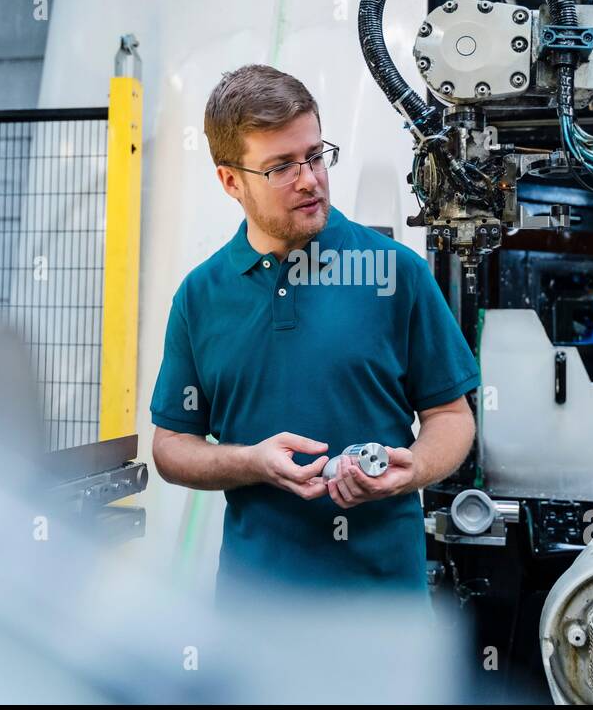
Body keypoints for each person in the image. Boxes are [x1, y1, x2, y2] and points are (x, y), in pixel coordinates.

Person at [149, 64, 478, 611]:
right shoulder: (200, 297)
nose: (310, 180)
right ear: (230, 180)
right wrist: (251, 462)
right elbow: (170, 447)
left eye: (315, 156)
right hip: (255, 616)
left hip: (383, 611)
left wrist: (412, 470)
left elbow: (451, 417)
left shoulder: (395, 274)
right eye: (280, 167)